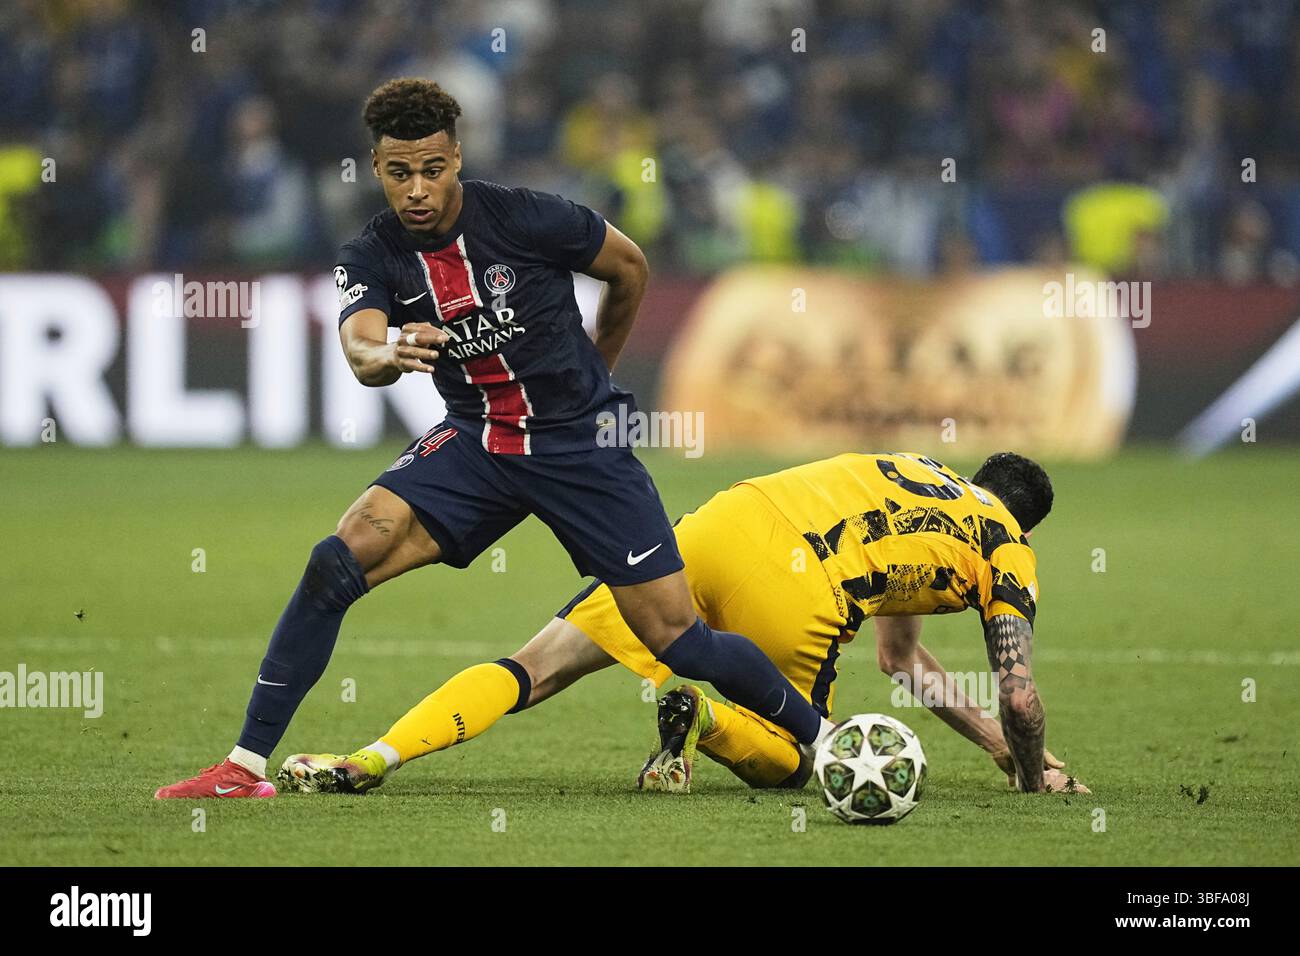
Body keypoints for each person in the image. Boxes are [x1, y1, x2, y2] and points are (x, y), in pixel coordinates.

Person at [155, 78, 829, 800]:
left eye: (432, 169)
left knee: (678, 639)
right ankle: (242, 770)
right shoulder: (372, 254)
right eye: (398, 172)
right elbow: (361, 350)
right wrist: (388, 355)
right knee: (340, 556)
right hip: (479, 443)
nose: (416, 189)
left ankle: (824, 740)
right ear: (376, 168)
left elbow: (628, 267)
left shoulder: (526, 217)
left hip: (581, 446)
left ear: (457, 158)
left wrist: (597, 370)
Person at [279, 451, 1087, 797]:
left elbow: (901, 658)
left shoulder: (912, 470)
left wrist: (988, 745)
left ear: (975, 476)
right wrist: (1024, 763)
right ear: (1027, 521)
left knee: (537, 665)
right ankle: (703, 714)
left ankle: (370, 756)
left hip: (721, 522)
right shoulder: (1005, 546)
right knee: (811, 760)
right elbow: (1019, 698)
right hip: (799, 587)